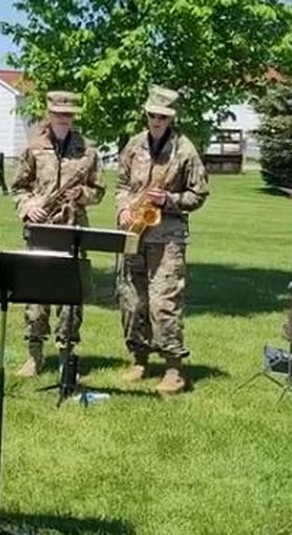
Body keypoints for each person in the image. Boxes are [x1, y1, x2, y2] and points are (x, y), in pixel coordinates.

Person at [115, 85, 210, 396]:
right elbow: (121, 184)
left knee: (163, 302)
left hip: (168, 238)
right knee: (131, 299)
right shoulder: (133, 145)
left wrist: (169, 199)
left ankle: (173, 368)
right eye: (152, 114)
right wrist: (123, 210)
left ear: (171, 118)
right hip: (134, 233)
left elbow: (199, 195)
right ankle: (139, 359)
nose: (156, 120)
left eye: (162, 116)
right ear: (146, 114)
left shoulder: (185, 151)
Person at [9, 91, 105, 378]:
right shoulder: (34, 147)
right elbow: (17, 187)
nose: (63, 118)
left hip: (73, 230)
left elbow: (99, 190)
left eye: (68, 114)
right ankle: (34, 355)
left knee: (70, 299)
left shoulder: (87, 150)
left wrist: (83, 194)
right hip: (40, 231)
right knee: (36, 297)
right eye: (58, 113)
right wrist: (29, 206)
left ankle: (66, 356)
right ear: (49, 114)